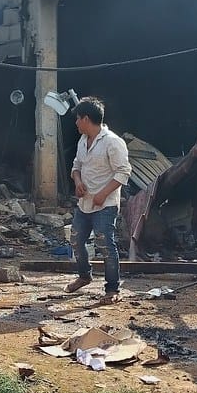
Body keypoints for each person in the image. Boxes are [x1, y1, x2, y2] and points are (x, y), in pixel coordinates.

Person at [65, 97, 132, 305]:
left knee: (105, 244)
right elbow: (76, 166)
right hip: (84, 203)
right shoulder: (82, 141)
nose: (76, 123)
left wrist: (103, 194)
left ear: (86, 119)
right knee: (76, 240)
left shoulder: (113, 142)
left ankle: (112, 288)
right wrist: (77, 181)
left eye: (77, 118)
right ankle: (85, 275)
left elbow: (124, 171)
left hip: (106, 204)